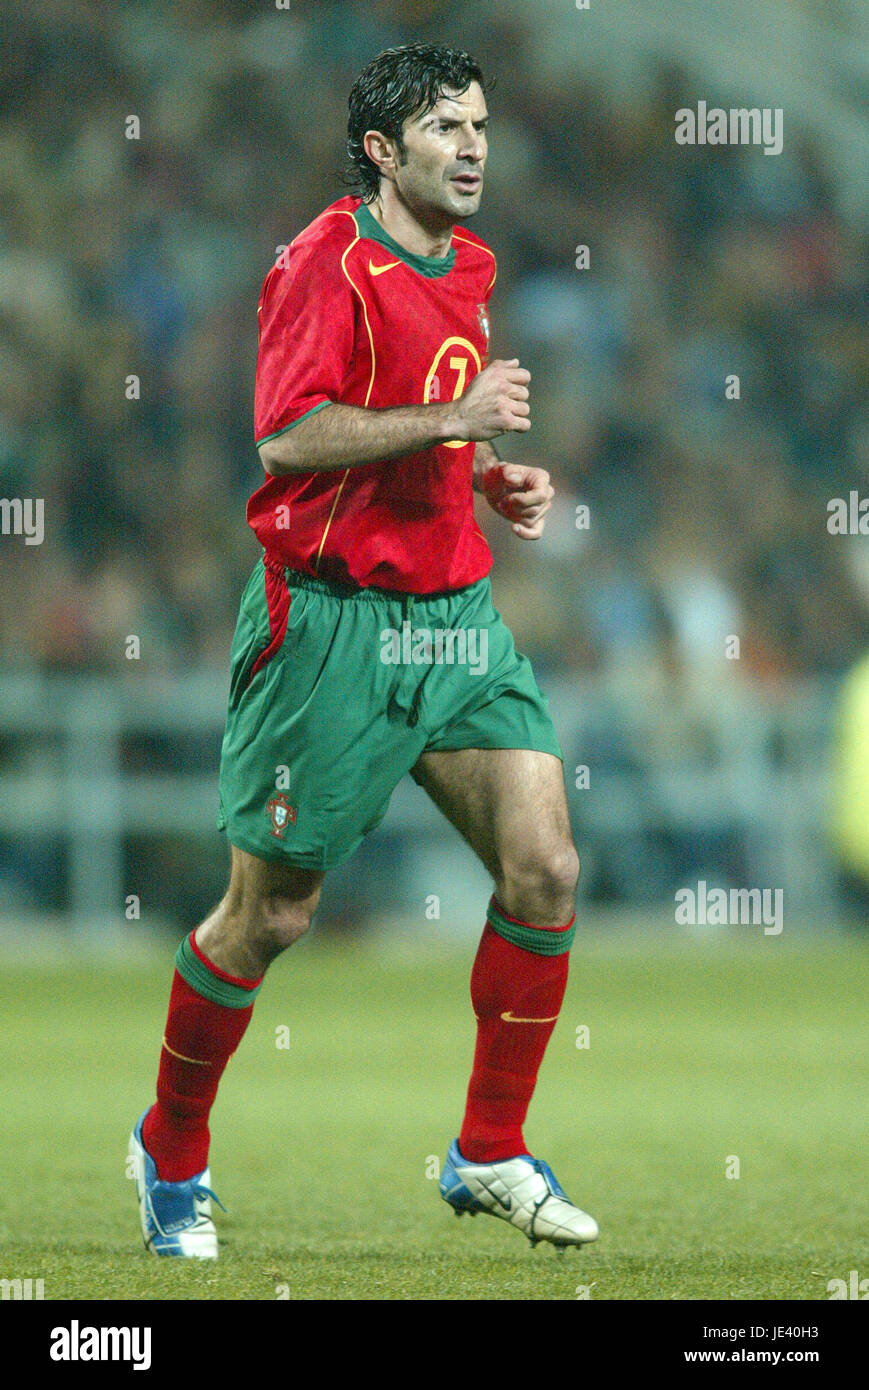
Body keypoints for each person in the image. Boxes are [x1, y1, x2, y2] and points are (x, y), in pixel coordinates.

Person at [130, 41, 598, 1258]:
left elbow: (432, 419)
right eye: (446, 128)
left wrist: (487, 474)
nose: (473, 147)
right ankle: (170, 1150)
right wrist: (456, 417)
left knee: (544, 866)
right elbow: (286, 438)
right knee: (271, 915)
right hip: (330, 623)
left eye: (480, 125)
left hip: (454, 615)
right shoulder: (321, 263)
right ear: (383, 151)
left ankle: (488, 1148)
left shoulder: (468, 263)